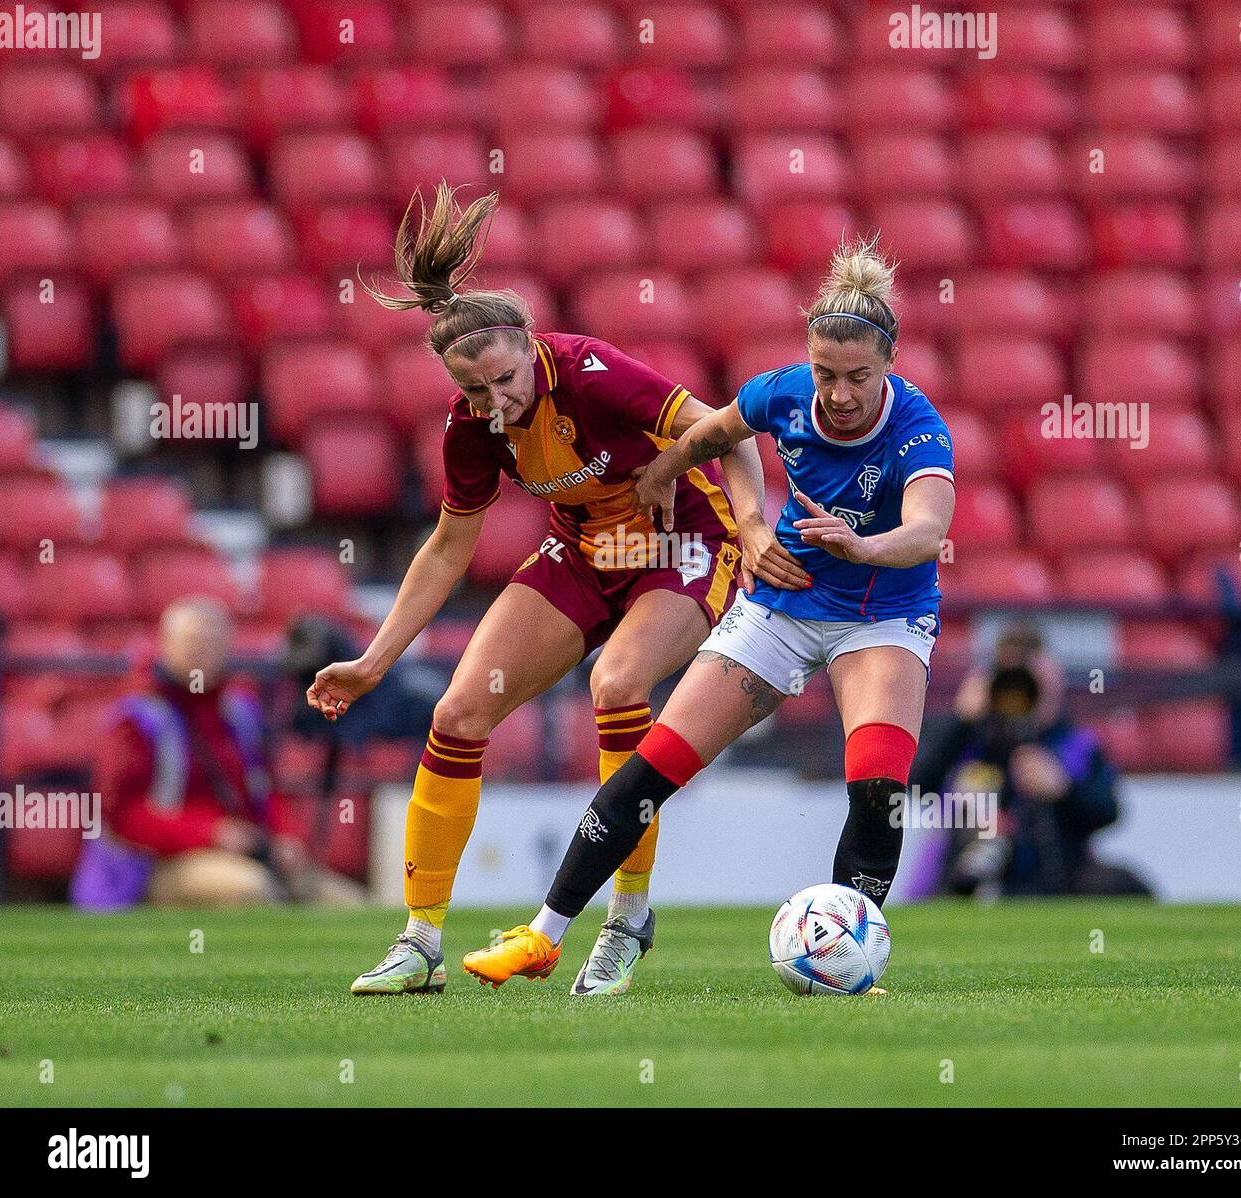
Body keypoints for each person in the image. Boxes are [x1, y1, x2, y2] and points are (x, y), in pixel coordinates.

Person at [307, 183, 800, 996]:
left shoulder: (594, 372)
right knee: (457, 713)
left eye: (503, 382)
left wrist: (751, 529)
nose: (495, 405)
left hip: (683, 543)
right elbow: (446, 549)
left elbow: (727, 431)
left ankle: (626, 920)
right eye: (474, 393)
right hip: (583, 552)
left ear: (530, 347)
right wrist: (372, 661)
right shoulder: (473, 430)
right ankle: (419, 941)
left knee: (617, 685)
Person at [460, 236, 956, 990]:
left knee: (878, 784)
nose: (840, 394)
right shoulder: (781, 393)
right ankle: (542, 936)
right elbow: (714, 436)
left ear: (888, 365)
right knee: (655, 765)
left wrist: (863, 546)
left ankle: (847, 953)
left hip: (882, 613)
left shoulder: (919, 427)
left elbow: (928, 530)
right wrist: (711, 503)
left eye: (858, 376)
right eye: (826, 373)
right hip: (781, 603)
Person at [70, 599, 359, 909]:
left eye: (209, 643)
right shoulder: (135, 719)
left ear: (226, 648)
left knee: (347, 903)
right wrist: (210, 834)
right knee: (250, 890)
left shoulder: (240, 712)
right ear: (165, 647)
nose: (199, 653)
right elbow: (123, 818)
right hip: (153, 865)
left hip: (246, 854)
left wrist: (285, 837)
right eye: (190, 642)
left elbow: (266, 791)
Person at [914, 627, 1150, 898]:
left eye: (1032, 683)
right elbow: (917, 785)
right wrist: (961, 720)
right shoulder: (971, 740)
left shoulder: (1076, 743)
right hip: (970, 872)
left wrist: (1063, 790)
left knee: (1125, 887)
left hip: (1062, 871)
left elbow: (1108, 810)